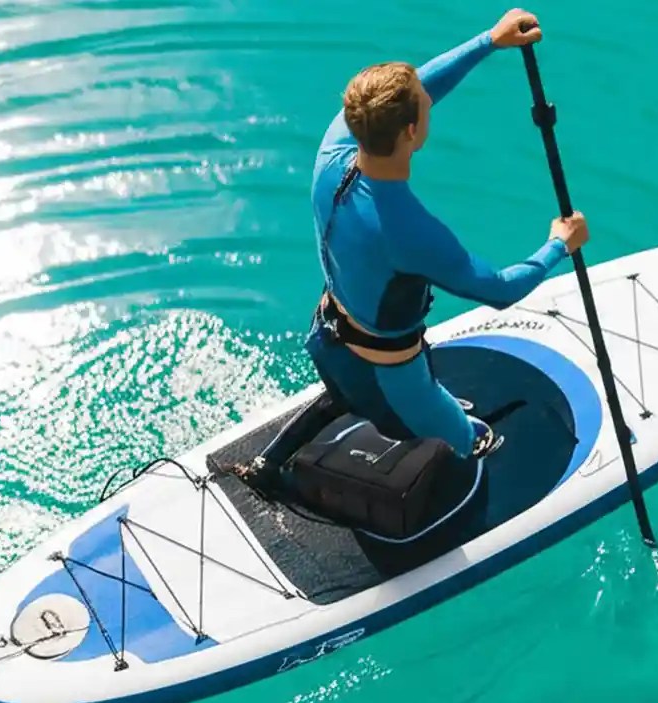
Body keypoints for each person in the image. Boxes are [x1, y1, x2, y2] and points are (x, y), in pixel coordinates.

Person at [253, 8, 590, 483]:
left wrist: (488, 41)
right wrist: (559, 244)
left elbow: (420, 88)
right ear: (411, 132)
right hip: (397, 387)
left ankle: (269, 463)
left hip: (329, 340)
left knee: (349, 388)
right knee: (467, 438)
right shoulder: (409, 231)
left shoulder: (332, 151)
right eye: (423, 104)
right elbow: (498, 290)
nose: (430, 101)